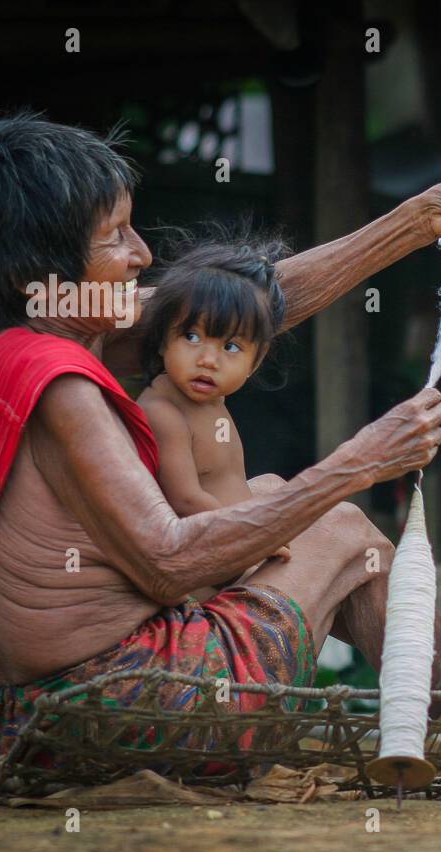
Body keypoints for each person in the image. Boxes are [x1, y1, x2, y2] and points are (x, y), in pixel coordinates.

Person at [0, 112, 441, 760]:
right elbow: (169, 563)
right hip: (110, 708)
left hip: (13, 713)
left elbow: (238, 304)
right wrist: (358, 463)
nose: (142, 254)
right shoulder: (59, 389)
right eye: (114, 237)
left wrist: (420, 220)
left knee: (267, 495)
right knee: (342, 530)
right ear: (35, 272)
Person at [135, 236, 297, 591]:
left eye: (231, 346)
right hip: (212, 567)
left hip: (237, 542)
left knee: (281, 490)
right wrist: (257, 537)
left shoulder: (211, 401)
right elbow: (185, 500)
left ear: (255, 361)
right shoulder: (162, 411)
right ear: (163, 339)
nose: (208, 359)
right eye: (192, 337)